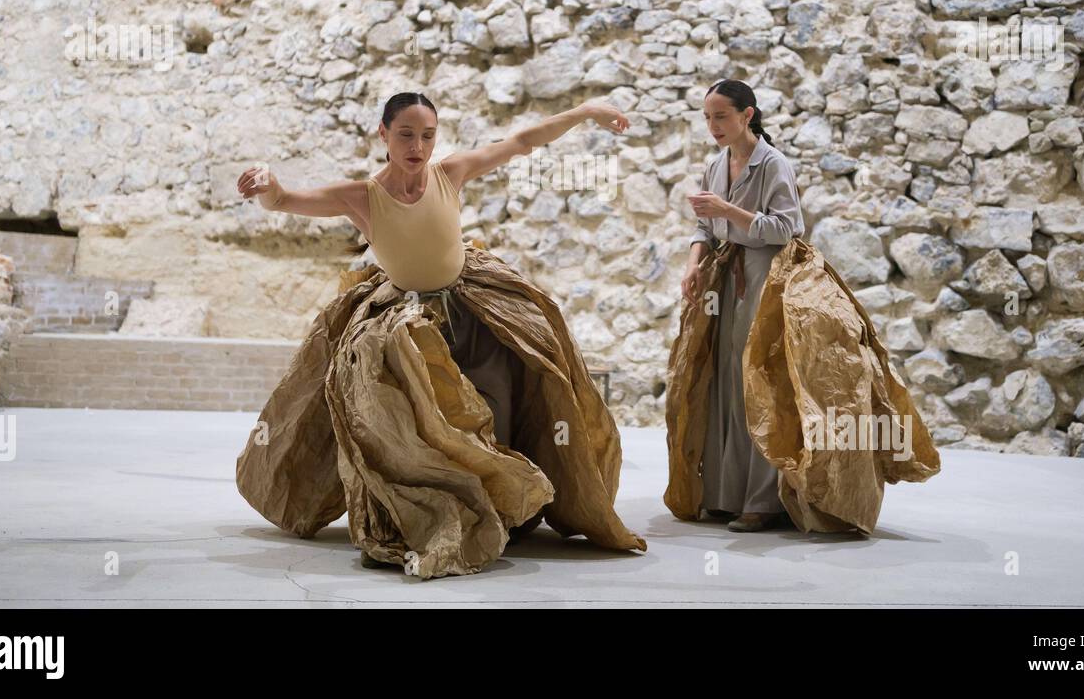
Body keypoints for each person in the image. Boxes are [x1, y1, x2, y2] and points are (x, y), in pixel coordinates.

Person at [234, 92, 647, 578]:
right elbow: (283, 201)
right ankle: (418, 517)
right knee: (405, 422)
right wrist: (266, 183)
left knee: (493, 407)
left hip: (472, 306)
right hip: (404, 322)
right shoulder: (361, 196)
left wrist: (583, 113)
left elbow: (520, 142)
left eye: (427, 135)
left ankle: (502, 510)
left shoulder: (449, 174)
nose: (417, 145)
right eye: (406, 134)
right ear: (383, 135)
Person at [665, 80, 941, 536]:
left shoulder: (773, 164)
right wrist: (694, 264)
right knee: (727, 382)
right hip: (726, 279)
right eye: (708, 117)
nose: (713, 126)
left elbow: (786, 228)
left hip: (765, 280)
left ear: (747, 115)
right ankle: (724, 494)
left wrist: (727, 211)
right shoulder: (717, 164)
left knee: (763, 382)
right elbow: (704, 225)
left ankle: (763, 502)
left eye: (721, 116)